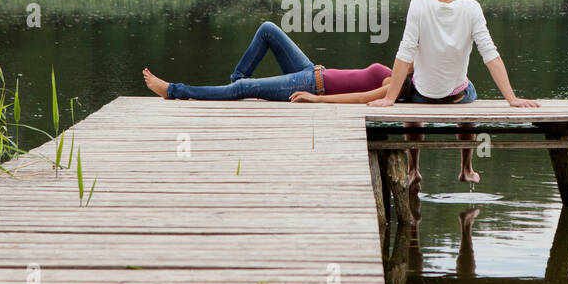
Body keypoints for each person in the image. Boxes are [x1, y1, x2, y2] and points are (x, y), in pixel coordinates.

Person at [142, 19, 480, 178]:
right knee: (268, 30)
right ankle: (237, 84)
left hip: (312, 84)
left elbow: (362, 96)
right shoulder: (399, 74)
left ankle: (175, 91)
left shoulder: (395, 85)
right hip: (311, 69)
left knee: (245, 90)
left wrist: (315, 101)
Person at [368, 0, 539, 187]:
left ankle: (413, 169)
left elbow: (404, 53)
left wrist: (390, 98)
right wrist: (512, 99)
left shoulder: (418, 6)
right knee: (467, 90)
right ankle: (466, 169)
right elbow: (491, 55)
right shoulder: (471, 8)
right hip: (457, 96)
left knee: (412, 93)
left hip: (422, 95)